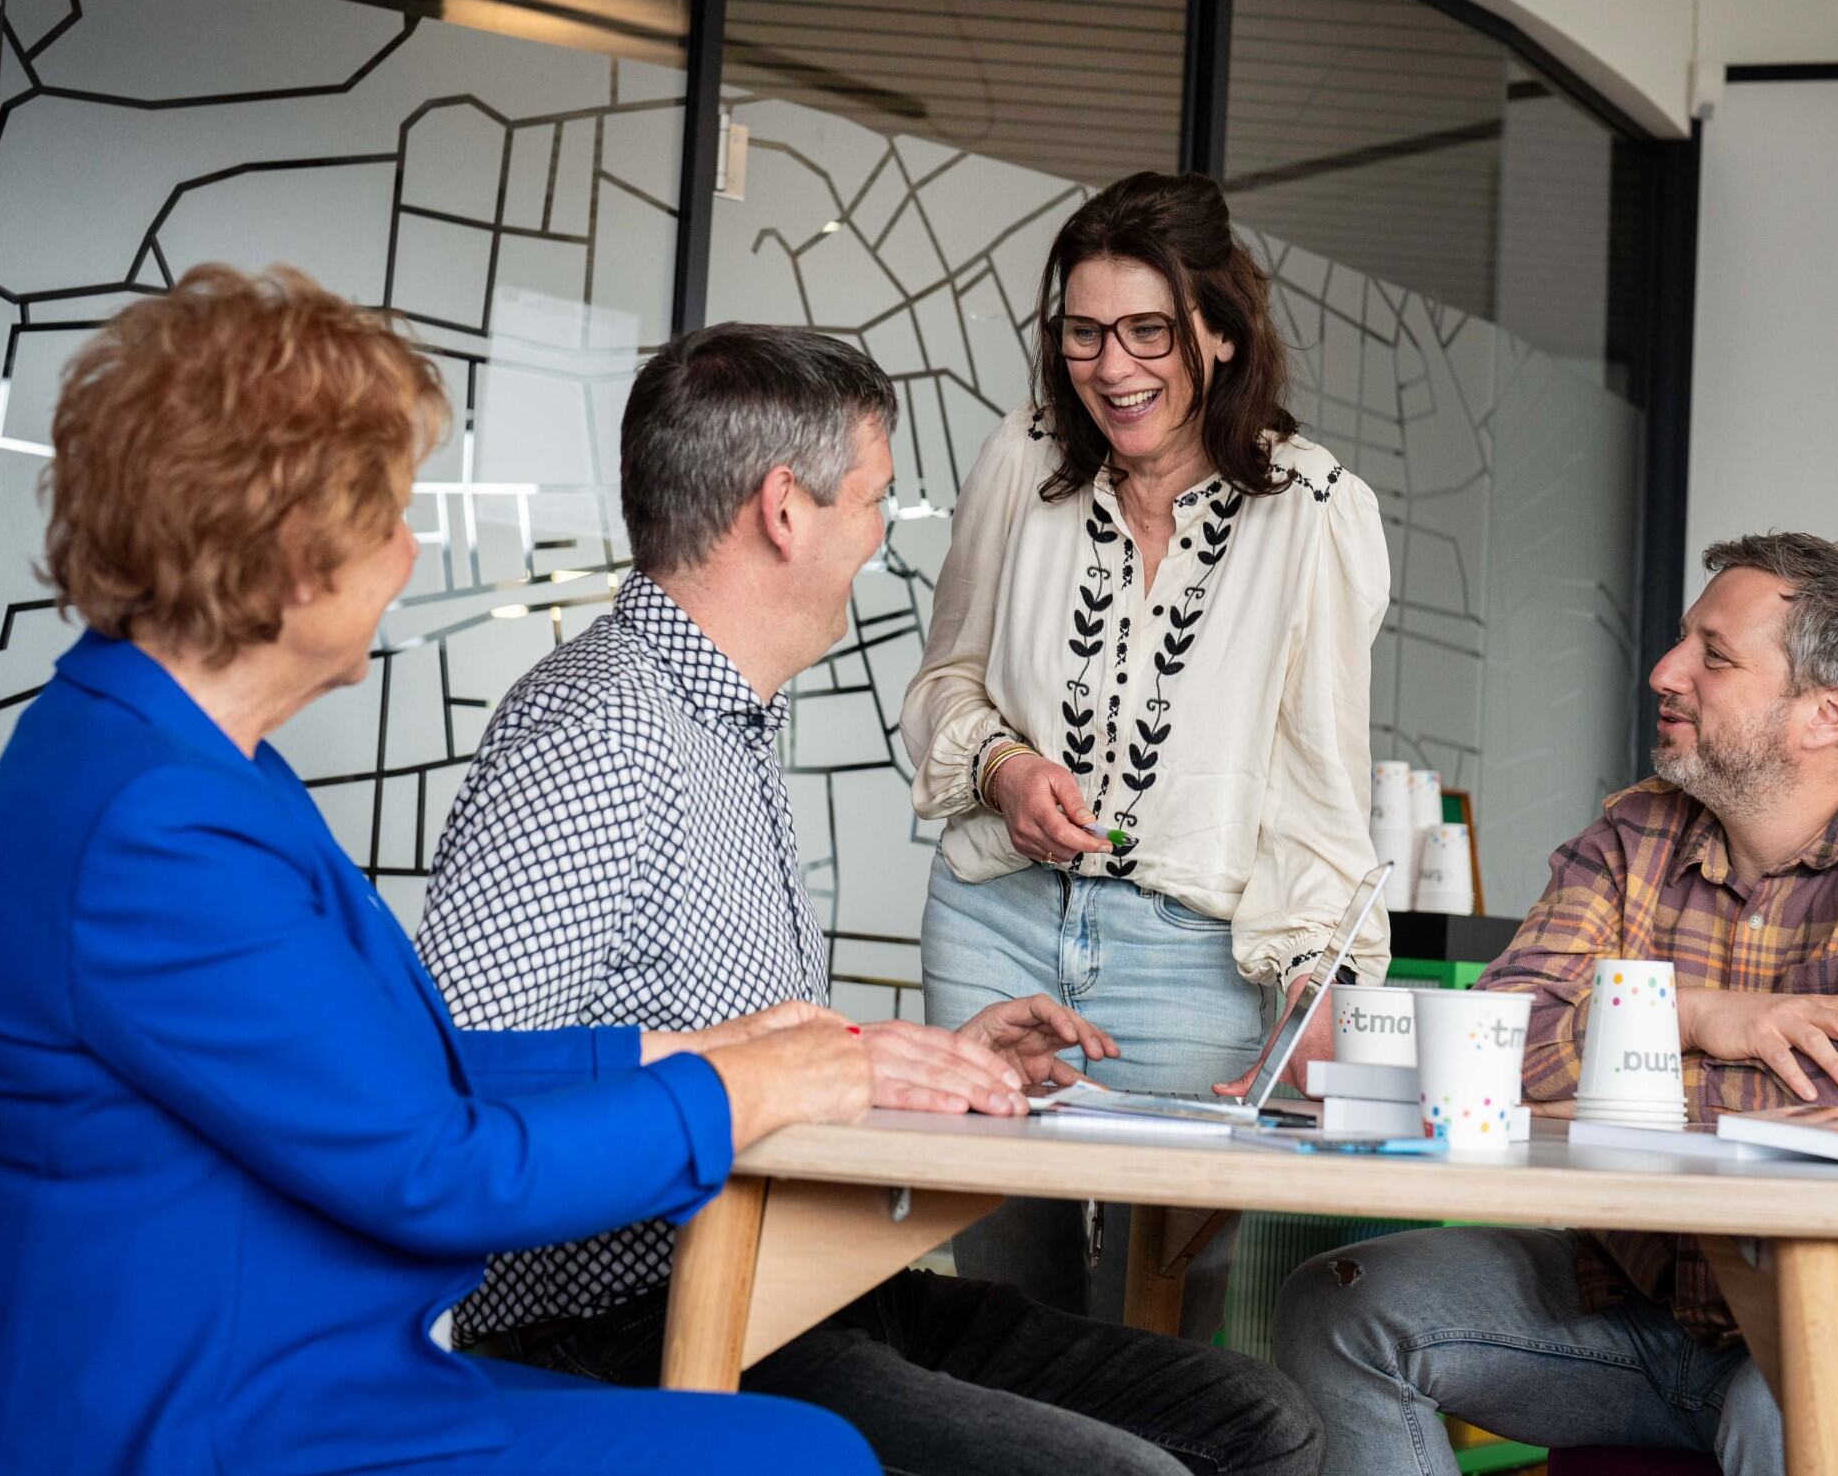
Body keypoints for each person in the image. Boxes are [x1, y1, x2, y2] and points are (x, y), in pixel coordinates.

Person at [0, 268, 877, 1476]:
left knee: (803, 1444)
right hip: (195, 1428)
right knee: (800, 1458)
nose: (412, 549)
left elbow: (377, 1079)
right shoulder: (156, 824)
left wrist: (680, 1048)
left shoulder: (178, 762)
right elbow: (434, 1169)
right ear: (291, 547)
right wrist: (735, 1093)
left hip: (274, 1382)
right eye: (387, 515)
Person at [413, 323, 1325, 1476]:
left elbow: (705, 1031)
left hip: (805, 1280)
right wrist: (837, 1062)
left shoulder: (728, 717)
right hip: (625, 1320)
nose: (883, 534)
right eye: (872, 498)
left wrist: (922, 1061)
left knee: (1261, 1419)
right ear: (783, 510)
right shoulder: (598, 729)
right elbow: (465, 1072)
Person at [1272, 532, 1838, 1476]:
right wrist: (1695, 1016)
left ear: (1827, 713)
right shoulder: (1635, 831)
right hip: (1645, 1308)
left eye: (1715, 656)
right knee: (1341, 1305)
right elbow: (1494, 1042)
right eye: (1681, 641)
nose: (1666, 672)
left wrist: (1589, 1077)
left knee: (1795, 1399)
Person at [900, 170, 1391, 1317]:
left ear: (1218, 330)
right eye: (1082, 332)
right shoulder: (1022, 457)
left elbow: (1318, 789)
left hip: (1193, 960)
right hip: (992, 920)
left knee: (1158, 1321)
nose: (1110, 366)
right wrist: (1002, 769)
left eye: (1146, 331)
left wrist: (1315, 984)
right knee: (999, 1310)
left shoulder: (1316, 509)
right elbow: (942, 683)